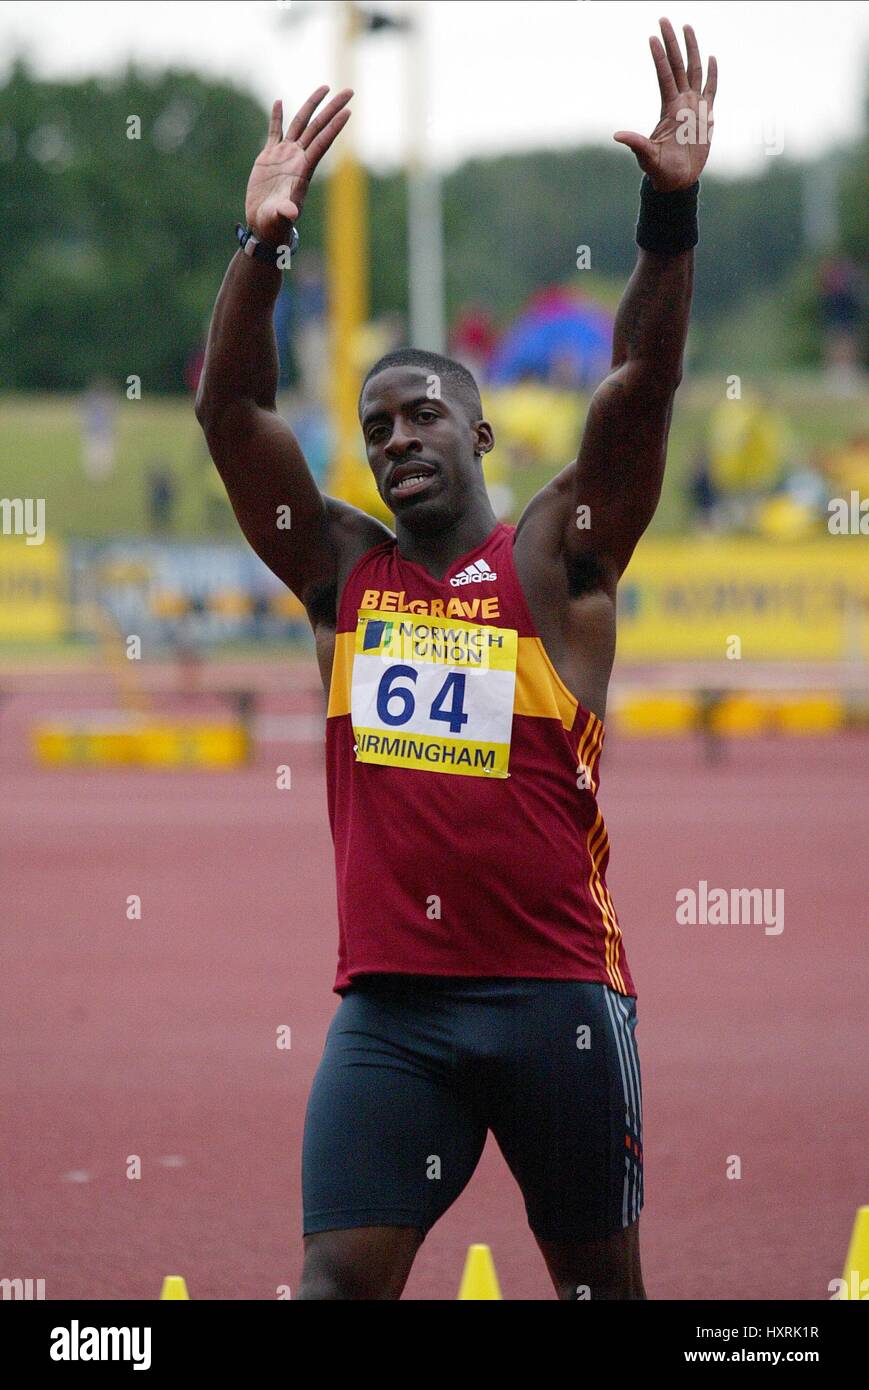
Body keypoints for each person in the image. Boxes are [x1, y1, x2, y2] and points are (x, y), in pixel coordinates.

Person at [195, 17, 716, 1301]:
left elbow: (639, 380)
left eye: (421, 412)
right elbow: (232, 411)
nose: (395, 440)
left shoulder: (559, 564)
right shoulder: (340, 578)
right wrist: (262, 242)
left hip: (556, 1001)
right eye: (375, 427)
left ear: (478, 428)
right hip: (392, 1014)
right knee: (332, 1285)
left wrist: (665, 216)